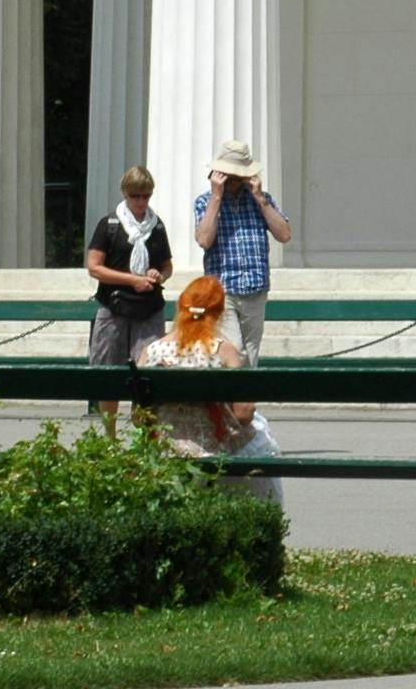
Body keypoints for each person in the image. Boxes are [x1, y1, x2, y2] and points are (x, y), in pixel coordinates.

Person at [136, 274, 280, 501]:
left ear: (179, 307)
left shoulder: (151, 351)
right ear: (220, 313)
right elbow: (243, 413)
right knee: (262, 435)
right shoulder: (224, 351)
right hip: (215, 452)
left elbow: (138, 418)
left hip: (164, 450)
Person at [191, 140, 291, 362]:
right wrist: (216, 197)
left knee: (251, 355)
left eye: (237, 178)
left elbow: (284, 234)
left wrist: (261, 201)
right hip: (223, 288)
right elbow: (204, 239)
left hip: (255, 288)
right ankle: (233, 396)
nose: (233, 182)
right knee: (233, 351)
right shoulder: (205, 202)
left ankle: (244, 398)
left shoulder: (261, 200)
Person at [87, 166, 174, 372]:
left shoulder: (157, 226)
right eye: (135, 196)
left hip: (149, 308)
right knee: (106, 374)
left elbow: (167, 266)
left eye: (146, 196)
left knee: (148, 374)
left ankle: (141, 406)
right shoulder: (109, 224)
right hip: (113, 307)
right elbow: (94, 268)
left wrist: (158, 276)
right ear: (125, 194)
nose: (141, 202)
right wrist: (132, 280)